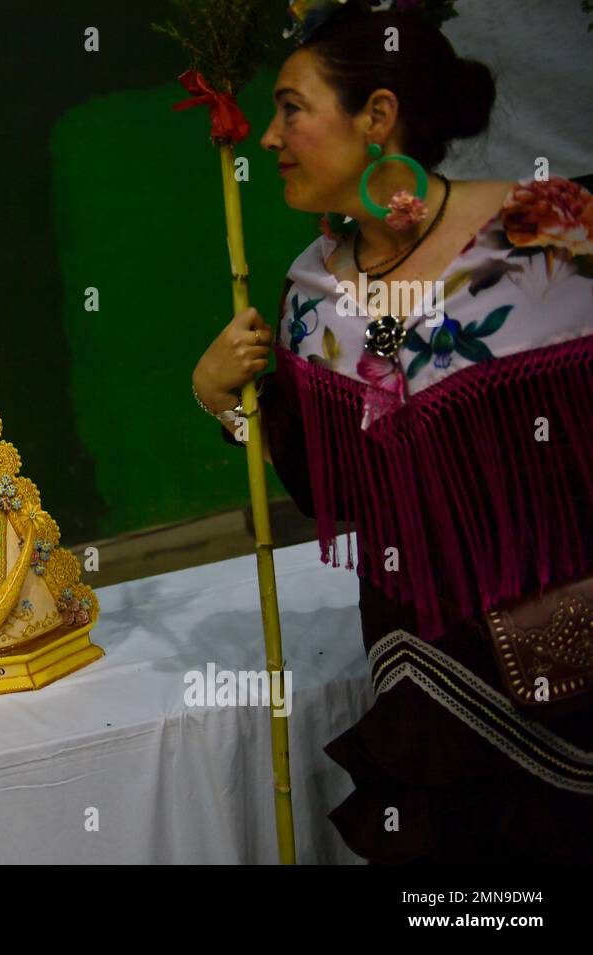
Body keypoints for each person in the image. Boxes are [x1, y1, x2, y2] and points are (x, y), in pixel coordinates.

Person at [192, 6, 593, 863]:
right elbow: (324, 491)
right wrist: (221, 399)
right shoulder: (313, 298)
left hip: (573, 660)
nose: (269, 137)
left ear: (376, 118)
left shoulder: (553, 236)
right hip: (427, 679)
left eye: (292, 108)